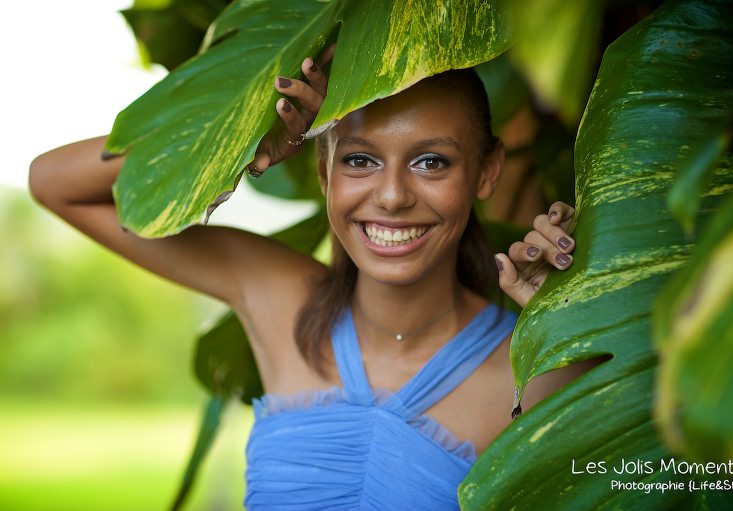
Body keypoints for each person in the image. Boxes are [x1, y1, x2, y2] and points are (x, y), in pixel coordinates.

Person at [29, 56, 587, 510]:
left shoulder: (535, 369)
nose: (392, 196)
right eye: (361, 159)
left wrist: (570, 328)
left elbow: (651, 480)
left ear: (486, 171)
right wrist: (246, 136)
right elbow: (55, 182)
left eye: (431, 163)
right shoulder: (277, 297)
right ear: (323, 170)